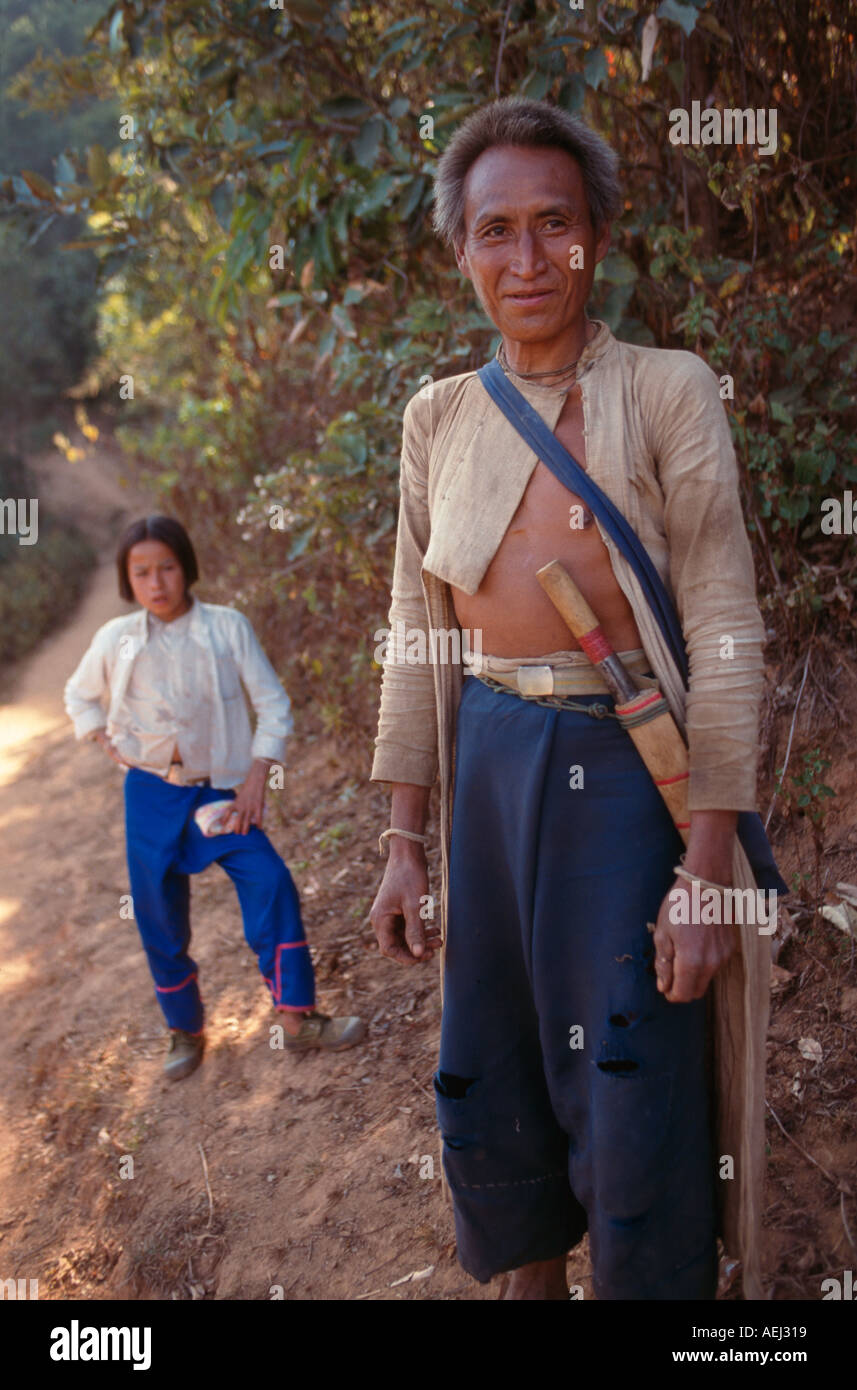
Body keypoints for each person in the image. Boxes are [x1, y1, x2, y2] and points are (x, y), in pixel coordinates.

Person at [369, 98, 775, 1300]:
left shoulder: (666, 390)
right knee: (490, 1056)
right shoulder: (435, 416)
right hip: (486, 768)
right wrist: (401, 839)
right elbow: (413, 636)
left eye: (555, 224)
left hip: (624, 777)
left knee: (630, 1070)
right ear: (460, 253)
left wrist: (704, 865)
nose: (527, 258)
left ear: (598, 232)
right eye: (495, 230)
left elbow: (722, 624)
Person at [65, 515, 365, 1080]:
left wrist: (256, 780)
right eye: (142, 573)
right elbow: (78, 696)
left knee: (269, 879)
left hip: (220, 793)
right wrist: (103, 736)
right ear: (128, 581)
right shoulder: (116, 640)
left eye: (168, 568)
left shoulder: (228, 628)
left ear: (188, 568)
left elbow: (274, 705)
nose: (157, 583)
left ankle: (298, 1016)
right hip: (151, 795)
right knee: (157, 909)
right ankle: (184, 1030)